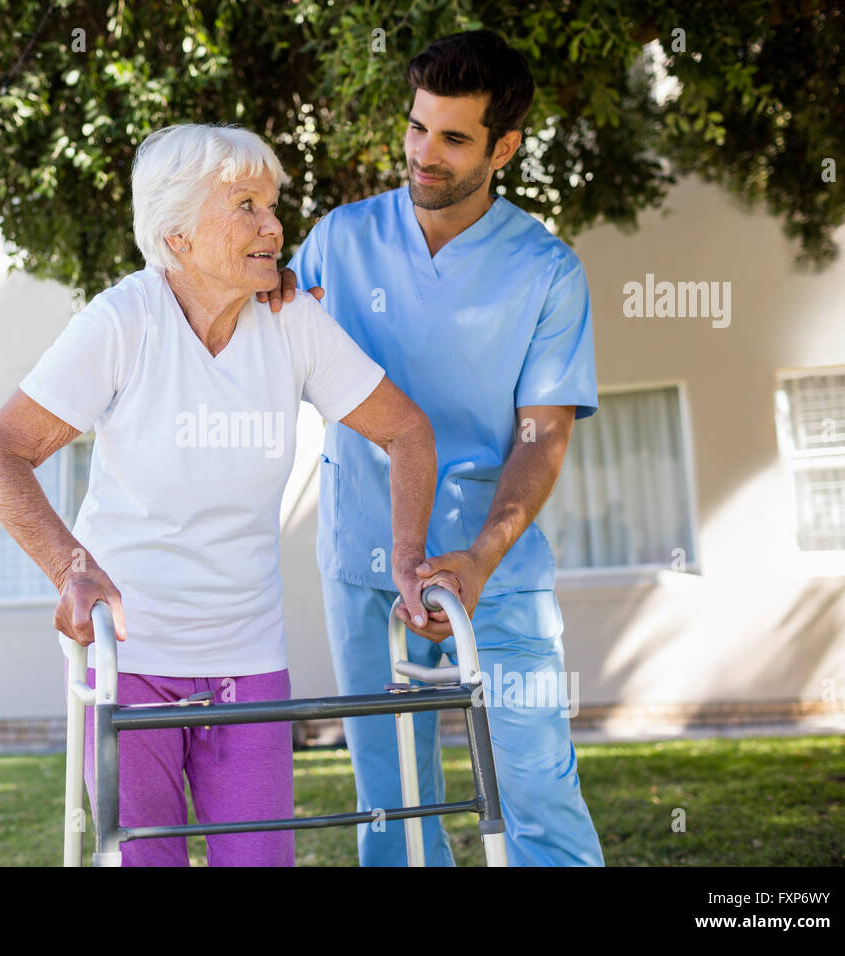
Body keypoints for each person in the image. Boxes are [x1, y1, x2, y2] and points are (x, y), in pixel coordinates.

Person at [0, 123, 438, 866]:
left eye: (273, 203)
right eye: (246, 204)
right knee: (144, 860)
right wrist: (71, 567)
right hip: (129, 660)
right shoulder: (125, 321)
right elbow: (1, 451)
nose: (273, 224)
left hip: (249, 664)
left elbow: (408, 432)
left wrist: (409, 558)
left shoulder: (292, 322)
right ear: (178, 235)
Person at [261, 29, 606, 866]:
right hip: (364, 566)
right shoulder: (339, 242)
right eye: (418, 127)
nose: (424, 153)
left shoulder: (546, 272)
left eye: (453, 138)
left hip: (499, 572)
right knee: (395, 804)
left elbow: (544, 435)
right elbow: (265, 341)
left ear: (505, 147)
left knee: (536, 787)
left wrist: (481, 558)